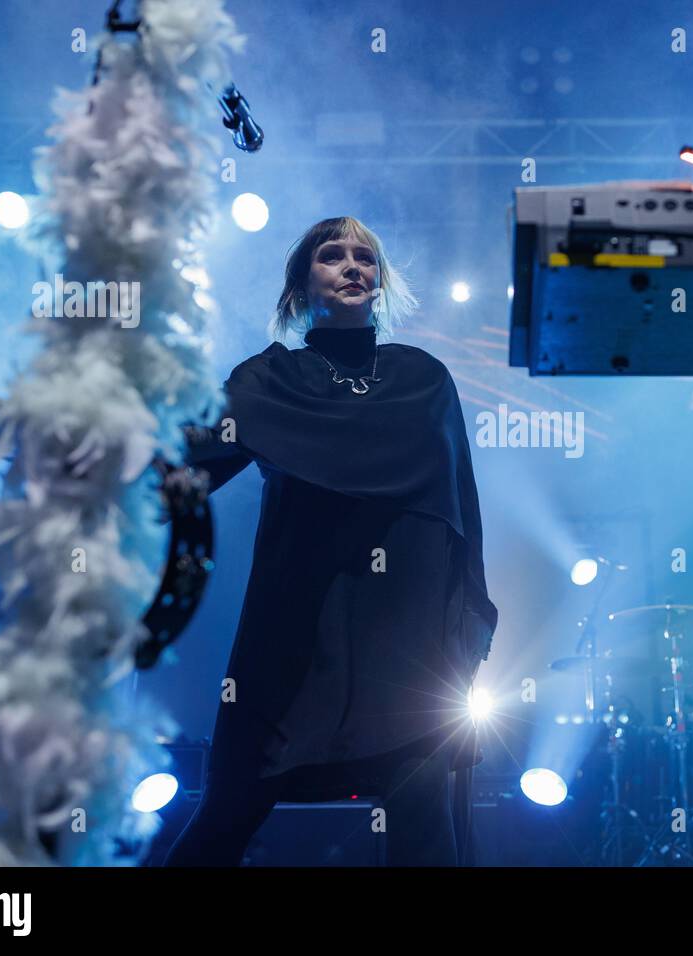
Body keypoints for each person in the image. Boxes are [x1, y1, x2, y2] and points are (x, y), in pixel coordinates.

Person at [164, 216, 498, 867]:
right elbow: (189, 459)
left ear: (380, 281)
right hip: (296, 641)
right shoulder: (270, 380)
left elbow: (463, 509)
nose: (352, 266)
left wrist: (471, 614)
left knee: (426, 828)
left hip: (408, 647)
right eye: (332, 255)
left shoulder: (424, 379)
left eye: (365, 257)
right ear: (299, 286)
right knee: (224, 817)